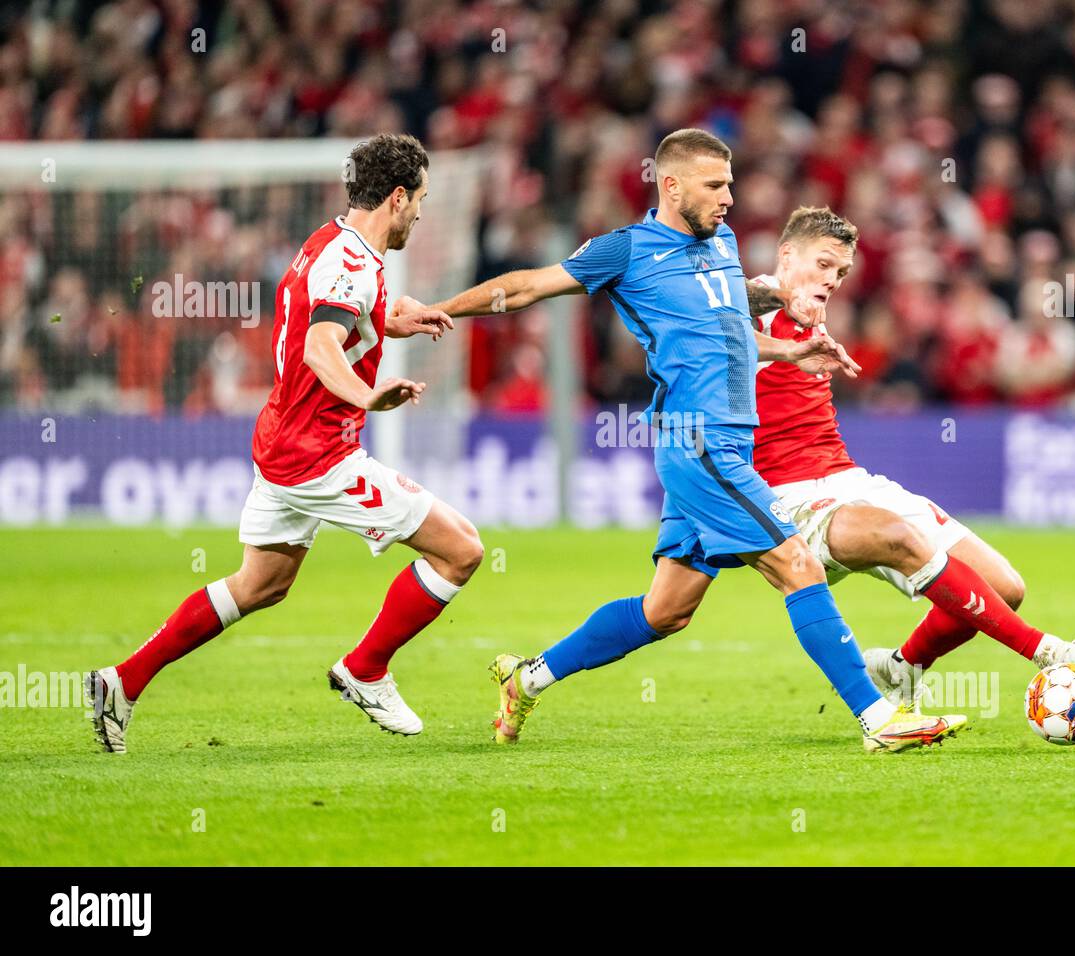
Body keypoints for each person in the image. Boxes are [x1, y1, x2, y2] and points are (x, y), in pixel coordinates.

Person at [406, 129, 970, 753]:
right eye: (715, 185)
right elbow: (530, 286)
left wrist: (787, 348)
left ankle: (527, 677)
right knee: (798, 564)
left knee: (665, 610)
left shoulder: (720, 241)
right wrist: (440, 309)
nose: (729, 197)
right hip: (700, 441)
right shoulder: (625, 251)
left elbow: (724, 318)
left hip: (719, 441)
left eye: (729, 184)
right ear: (670, 185)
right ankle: (878, 719)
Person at [86, 133, 476, 752]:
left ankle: (121, 681)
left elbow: (333, 323)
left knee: (259, 585)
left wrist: (391, 320)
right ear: (398, 197)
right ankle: (366, 669)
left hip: (281, 443)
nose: (424, 212)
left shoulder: (332, 243)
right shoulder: (350, 264)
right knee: (462, 550)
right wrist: (367, 396)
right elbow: (323, 345)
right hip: (321, 456)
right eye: (421, 198)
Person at [749, 205, 1075, 708]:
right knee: (892, 535)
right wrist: (782, 294)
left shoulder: (813, 318)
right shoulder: (750, 300)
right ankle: (1052, 652)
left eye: (841, 272)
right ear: (786, 255)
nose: (832, 280)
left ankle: (902, 666)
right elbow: (706, 307)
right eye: (823, 264)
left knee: (1004, 587)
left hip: (848, 478)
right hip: (790, 499)